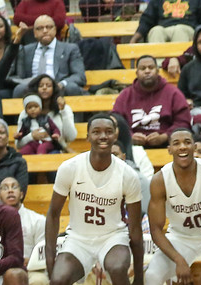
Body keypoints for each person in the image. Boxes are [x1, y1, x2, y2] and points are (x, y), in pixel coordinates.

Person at [45, 114, 145, 285]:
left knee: (117, 268)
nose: (103, 136)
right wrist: (50, 262)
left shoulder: (128, 175)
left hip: (113, 237)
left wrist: (139, 278)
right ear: (88, 136)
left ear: (115, 135)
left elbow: (135, 228)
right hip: (78, 238)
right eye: (96, 132)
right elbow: (53, 215)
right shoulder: (70, 168)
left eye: (108, 131)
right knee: (59, 279)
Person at [144, 129, 201, 285]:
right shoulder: (160, 180)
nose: (182, 147)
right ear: (169, 150)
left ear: (194, 148)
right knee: (152, 275)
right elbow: (155, 230)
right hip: (179, 237)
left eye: (187, 142)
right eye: (176, 143)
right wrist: (178, 260)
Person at [113, 56, 191, 149]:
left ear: (158, 71)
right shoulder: (125, 95)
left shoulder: (173, 93)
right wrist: (129, 136)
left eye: (151, 68)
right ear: (137, 73)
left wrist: (165, 136)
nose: (147, 71)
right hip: (132, 147)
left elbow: (183, 122)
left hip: (168, 145)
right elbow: (116, 121)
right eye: (143, 68)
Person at [17, 16, 85, 96]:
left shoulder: (70, 49)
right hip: (33, 89)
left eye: (49, 27)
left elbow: (79, 76)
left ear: (55, 30)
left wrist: (62, 84)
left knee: (71, 88)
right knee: (19, 89)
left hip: (58, 88)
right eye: (40, 28)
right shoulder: (26, 50)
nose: (45, 31)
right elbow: (20, 77)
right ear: (34, 33)